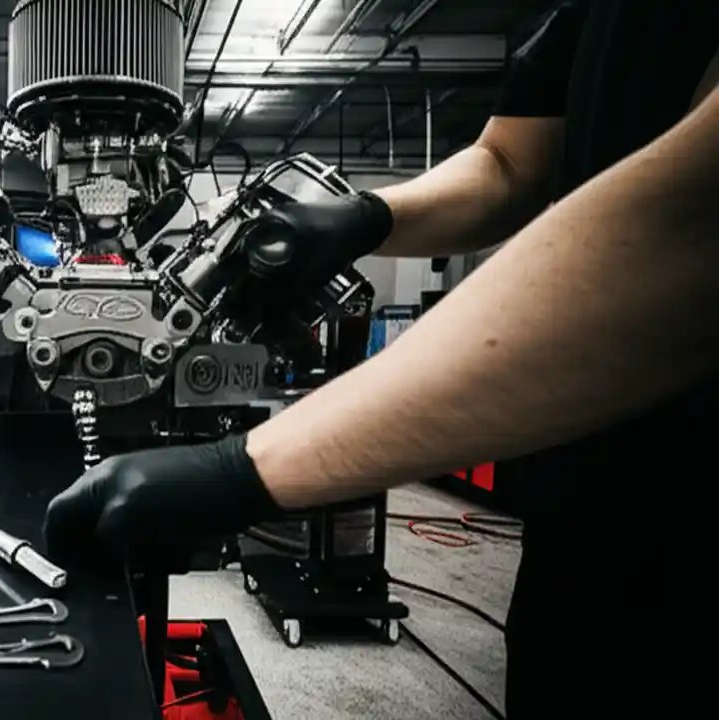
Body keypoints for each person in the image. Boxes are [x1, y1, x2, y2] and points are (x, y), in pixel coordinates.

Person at [45, 2, 716, 715]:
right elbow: (508, 163)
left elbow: (693, 229)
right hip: (583, 520)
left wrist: (244, 471)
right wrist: (367, 218)